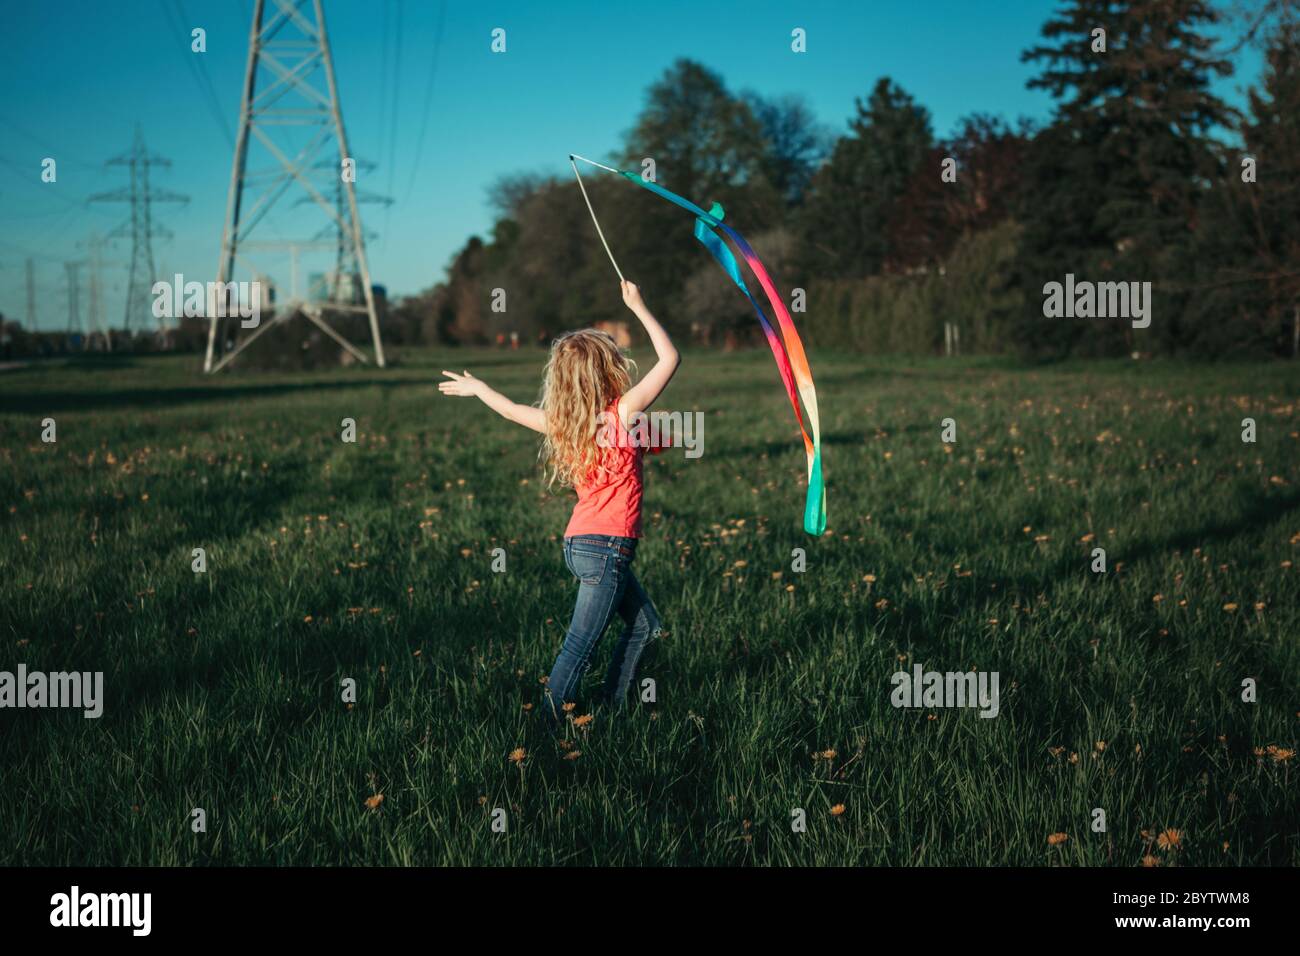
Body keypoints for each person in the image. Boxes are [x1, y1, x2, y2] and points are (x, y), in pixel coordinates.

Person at [439, 280, 678, 720]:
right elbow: (670, 359)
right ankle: (548, 725)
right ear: (607, 370)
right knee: (579, 646)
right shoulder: (622, 413)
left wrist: (481, 389)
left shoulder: (564, 423)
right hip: (606, 549)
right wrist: (638, 305)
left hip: (582, 545)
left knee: (645, 626)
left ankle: (611, 707)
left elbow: (511, 410)